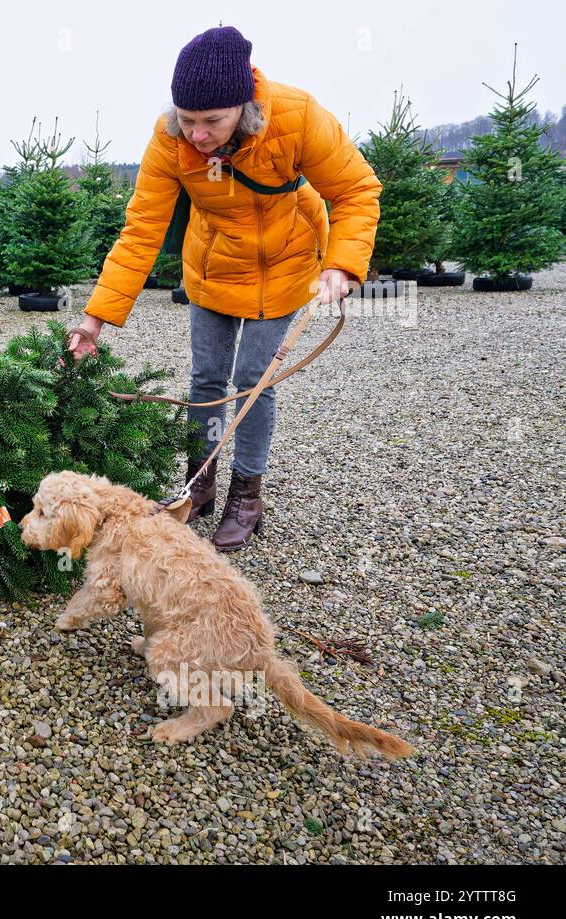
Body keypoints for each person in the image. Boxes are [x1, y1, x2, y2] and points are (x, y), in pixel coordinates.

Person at [69, 25, 380, 551]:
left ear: (244, 105)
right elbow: (141, 229)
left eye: (211, 121)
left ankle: (247, 494)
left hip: (285, 264)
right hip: (213, 267)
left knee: (253, 381)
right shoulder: (170, 139)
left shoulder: (297, 115)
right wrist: (94, 318)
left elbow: (356, 190)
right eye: (187, 120)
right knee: (207, 379)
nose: (197, 135)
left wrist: (343, 265)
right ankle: (199, 482)